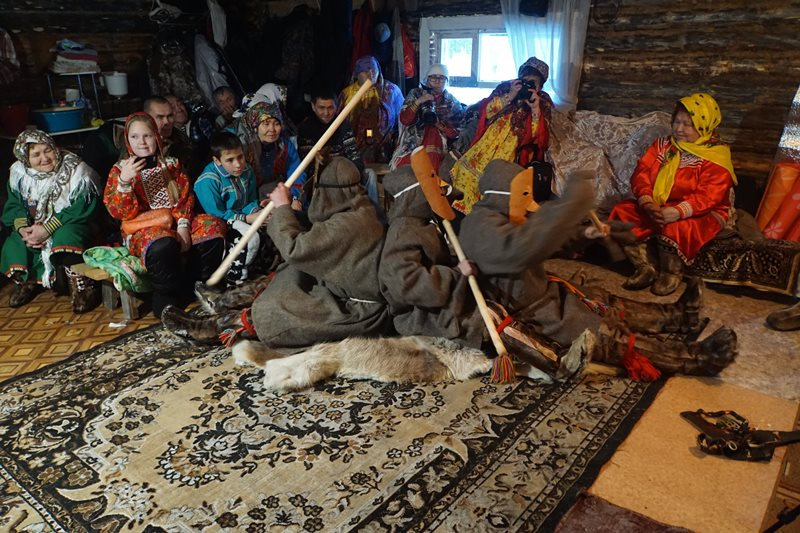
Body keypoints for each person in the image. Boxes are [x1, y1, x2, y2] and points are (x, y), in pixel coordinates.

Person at [458, 159, 737, 379]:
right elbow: (522, 247)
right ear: (505, 192)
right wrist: (569, 204)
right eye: (523, 192)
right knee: (605, 334)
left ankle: (676, 317)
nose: (529, 200)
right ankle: (694, 358)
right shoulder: (479, 226)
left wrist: (585, 234)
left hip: (546, 295)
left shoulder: (503, 215)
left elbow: (542, 240)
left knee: (604, 300)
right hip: (532, 314)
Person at [162, 157, 390, 348]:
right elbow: (318, 233)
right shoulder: (358, 207)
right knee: (288, 274)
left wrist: (282, 209)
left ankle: (210, 329)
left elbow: (296, 249)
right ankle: (224, 302)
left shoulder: (351, 222)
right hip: (338, 285)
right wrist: (287, 212)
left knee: (277, 309)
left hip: (353, 309)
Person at [609, 92, 737, 296]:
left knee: (676, 227)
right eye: (677, 121)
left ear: (704, 125)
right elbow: (641, 173)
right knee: (623, 211)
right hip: (659, 206)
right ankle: (646, 266)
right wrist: (647, 201)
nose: (679, 129)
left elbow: (710, 195)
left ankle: (671, 273)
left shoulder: (716, 155)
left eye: (688, 124)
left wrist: (678, 211)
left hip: (700, 212)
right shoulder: (663, 146)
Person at [104, 112, 226, 319]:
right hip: (143, 230)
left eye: (147, 136)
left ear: (156, 137)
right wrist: (124, 183)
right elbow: (120, 213)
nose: (142, 142)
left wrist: (183, 226)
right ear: (127, 140)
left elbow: (185, 197)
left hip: (176, 222)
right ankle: (166, 294)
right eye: (135, 137)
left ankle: (201, 284)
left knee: (212, 226)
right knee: (163, 243)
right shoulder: (119, 171)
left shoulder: (172, 165)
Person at [378, 164, 485, 347]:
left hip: (439, 305)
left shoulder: (423, 224)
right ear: (417, 196)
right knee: (483, 325)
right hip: (420, 316)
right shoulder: (403, 231)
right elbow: (407, 282)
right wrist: (456, 273)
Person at [1, 129, 101, 312]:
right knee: (14, 242)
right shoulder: (19, 175)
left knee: (67, 235)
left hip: (69, 222)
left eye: (47, 150)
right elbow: (14, 206)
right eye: (36, 155)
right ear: (26, 158)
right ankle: (28, 281)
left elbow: (83, 206)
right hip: (35, 225)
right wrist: (24, 230)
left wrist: (48, 228)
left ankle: (83, 287)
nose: (44, 158)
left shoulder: (76, 170)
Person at [450, 57, 554, 214]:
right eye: (525, 81)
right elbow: (487, 112)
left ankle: (483, 212)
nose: (528, 86)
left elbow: (537, 137)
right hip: (490, 139)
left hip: (514, 146)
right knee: (466, 171)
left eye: (533, 83)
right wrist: (511, 94)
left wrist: (535, 109)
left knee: (494, 178)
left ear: (540, 86)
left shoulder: (543, 102)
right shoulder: (507, 89)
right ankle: (461, 208)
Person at [194, 131, 269, 285]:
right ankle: (234, 281)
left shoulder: (246, 171)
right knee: (250, 239)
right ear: (217, 160)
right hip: (219, 224)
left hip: (239, 217)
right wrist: (247, 219)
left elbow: (250, 200)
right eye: (230, 160)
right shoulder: (208, 181)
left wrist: (257, 212)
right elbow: (216, 215)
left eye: (240, 157)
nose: (238, 164)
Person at [297, 90, 383, 218]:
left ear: (336, 107)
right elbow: (308, 164)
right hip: (321, 176)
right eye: (321, 108)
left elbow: (353, 153)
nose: (326, 113)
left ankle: (374, 216)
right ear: (313, 107)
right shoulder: (306, 127)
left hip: (345, 173)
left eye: (330, 107)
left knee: (369, 174)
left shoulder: (343, 124)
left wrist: (353, 172)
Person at [389, 64, 463, 172]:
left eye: (441, 78)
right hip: (412, 140)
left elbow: (456, 133)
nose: (437, 81)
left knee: (433, 136)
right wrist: (419, 101)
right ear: (427, 79)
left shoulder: (452, 102)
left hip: (439, 144)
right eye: (433, 77)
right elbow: (404, 119)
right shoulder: (415, 93)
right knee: (405, 170)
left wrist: (437, 123)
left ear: (446, 81)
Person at [338, 55, 403, 163]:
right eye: (365, 71)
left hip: (385, 147)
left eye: (374, 70)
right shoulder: (346, 94)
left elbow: (402, 118)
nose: (371, 74)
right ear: (357, 74)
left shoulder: (392, 91)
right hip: (355, 148)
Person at [241, 102, 307, 209]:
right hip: (253, 202)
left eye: (276, 124)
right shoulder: (244, 148)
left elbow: (297, 173)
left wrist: (295, 197)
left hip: (280, 195)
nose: (272, 129)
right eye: (266, 124)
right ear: (255, 125)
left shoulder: (284, 145)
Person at [144, 95, 202, 179]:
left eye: (170, 116)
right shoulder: (138, 145)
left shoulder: (183, 142)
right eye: (160, 117)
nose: (167, 122)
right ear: (147, 119)